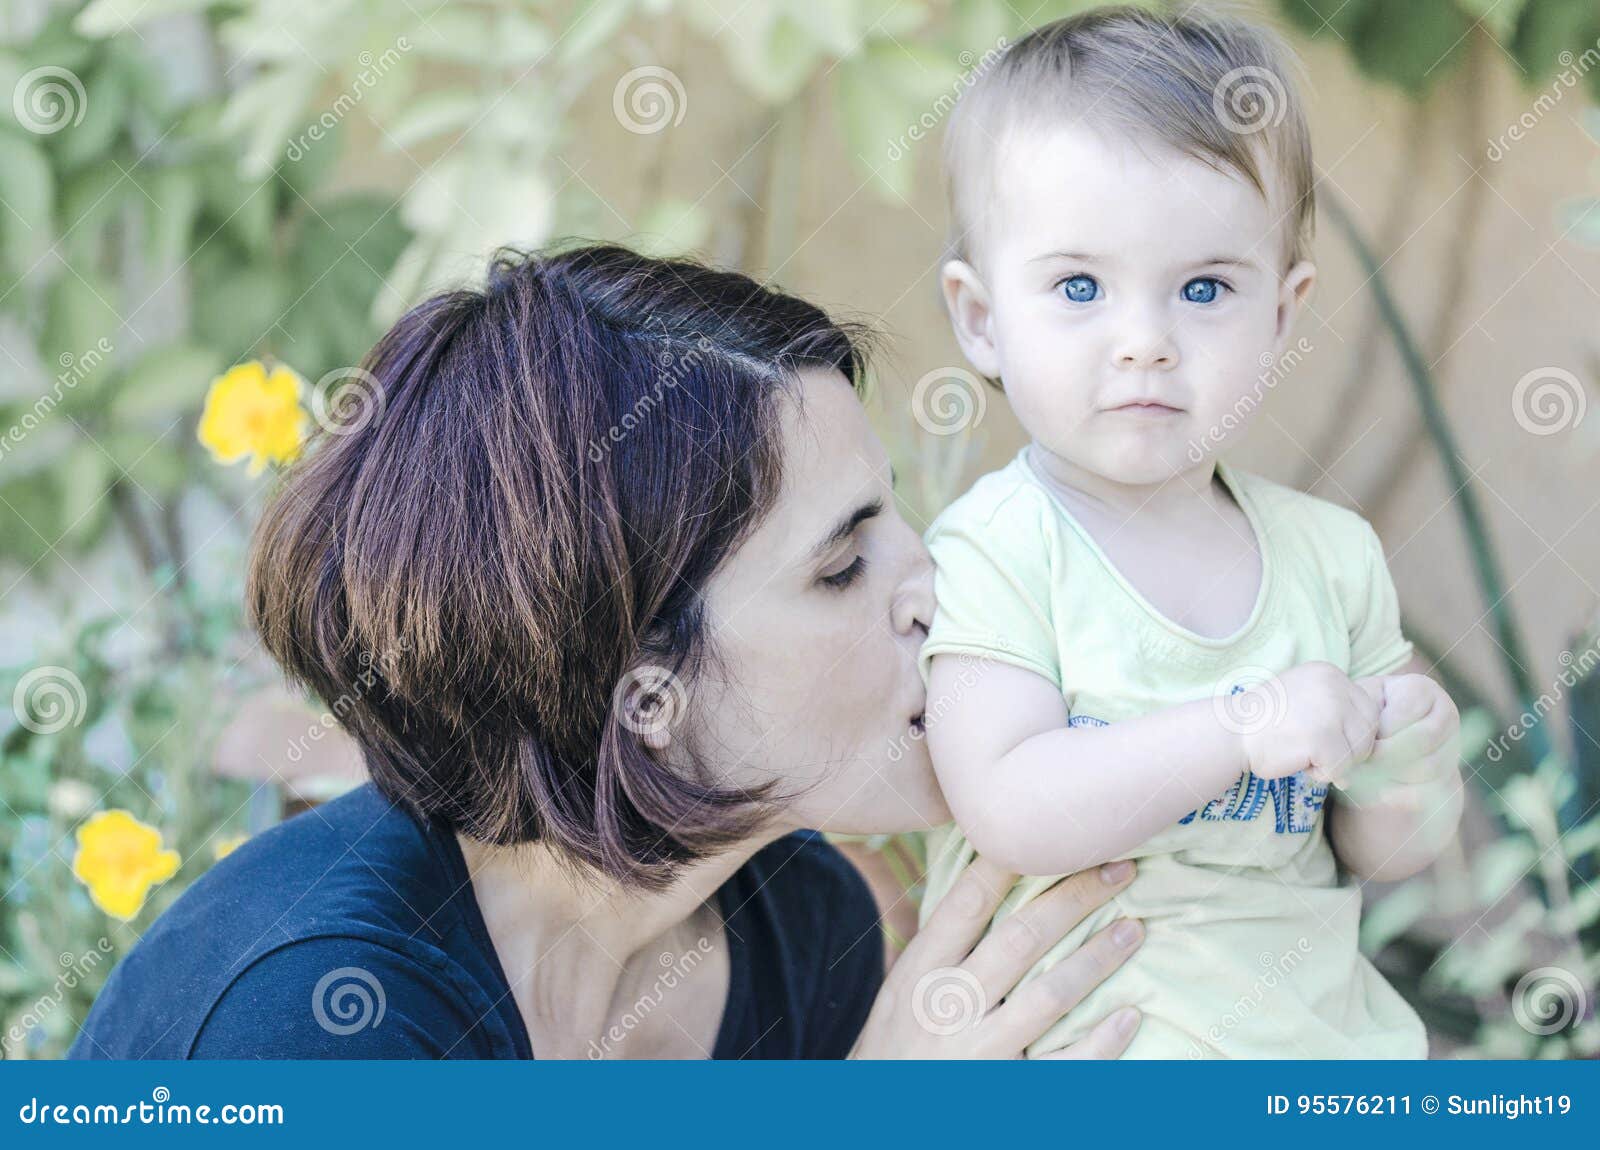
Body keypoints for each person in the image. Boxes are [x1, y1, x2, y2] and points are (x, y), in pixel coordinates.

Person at [71, 244, 1145, 1059]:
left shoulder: (806, 927)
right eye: (839, 566)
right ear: (641, 693)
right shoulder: (313, 1019)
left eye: (897, 520)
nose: (937, 591)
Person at [919, 6, 1464, 1058]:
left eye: (1204, 288)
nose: (1145, 343)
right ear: (981, 319)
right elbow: (1010, 803)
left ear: (1281, 314)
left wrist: (1407, 761)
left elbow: (1384, 853)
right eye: (1080, 286)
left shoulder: (1331, 557)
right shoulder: (997, 547)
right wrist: (1242, 725)